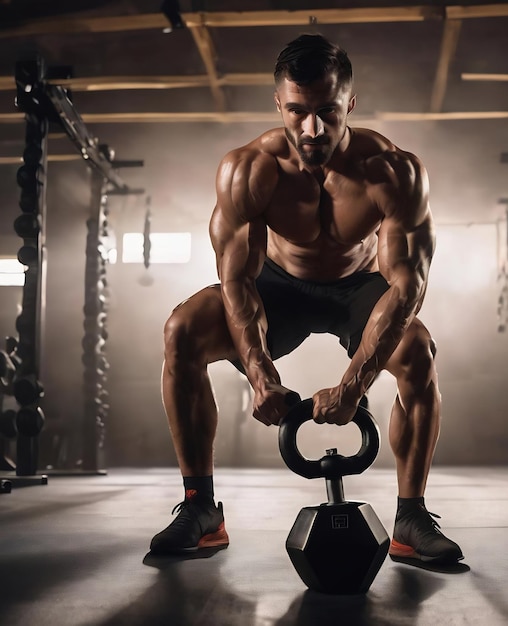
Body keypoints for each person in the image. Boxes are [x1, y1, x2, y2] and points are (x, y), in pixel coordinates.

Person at [150, 33, 463, 565]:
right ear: (279, 104)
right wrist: (259, 371)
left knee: (418, 353)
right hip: (277, 285)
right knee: (182, 330)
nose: (312, 129)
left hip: (357, 287)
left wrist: (353, 385)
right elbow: (236, 279)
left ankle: (410, 516)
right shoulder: (248, 170)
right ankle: (200, 508)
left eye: (327, 111)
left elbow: (406, 286)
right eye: (297, 111)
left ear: (350, 104)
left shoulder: (392, 171)